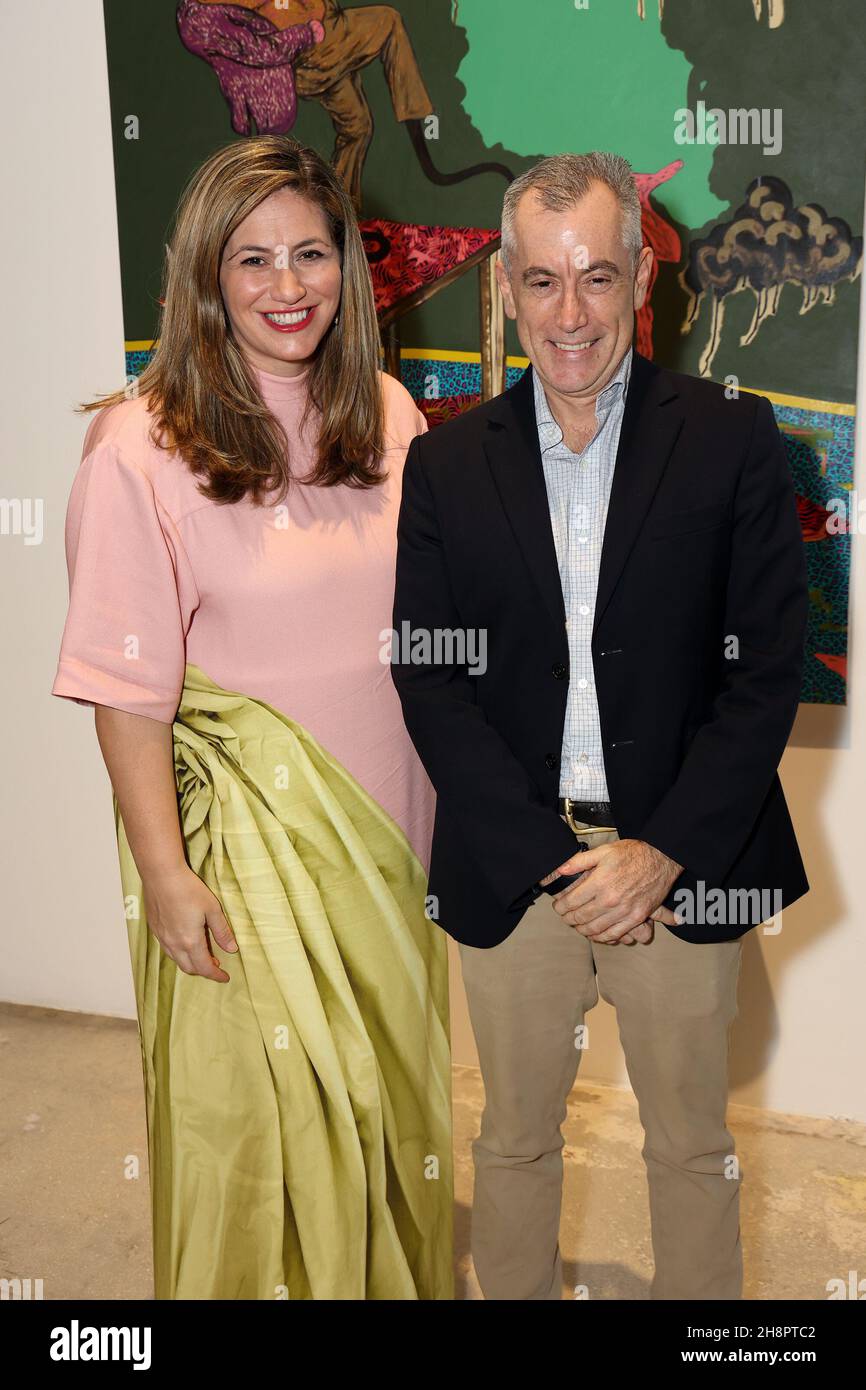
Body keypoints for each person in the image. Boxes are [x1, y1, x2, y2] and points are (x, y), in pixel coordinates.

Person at [390, 151, 809, 1301]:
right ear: (506, 292)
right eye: (539, 281)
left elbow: (764, 671)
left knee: (687, 1146)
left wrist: (658, 851)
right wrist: (549, 861)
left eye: (595, 277)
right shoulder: (442, 466)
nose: (567, 313)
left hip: (680, 866)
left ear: (641, 282)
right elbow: (430, 681)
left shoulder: (730, 437)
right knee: (512, 1141)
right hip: (515, 873)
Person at [51, 135, 452, 1301]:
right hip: (241, 853)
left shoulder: (384, 414)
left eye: (312, 254)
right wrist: (163, 873)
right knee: (268, 1131)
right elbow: (126, 691)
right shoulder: (139, 445)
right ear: (204, 280)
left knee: (383, 1113)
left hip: (391, 835)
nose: (289, 287)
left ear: (347, 266)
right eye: (253, 259)